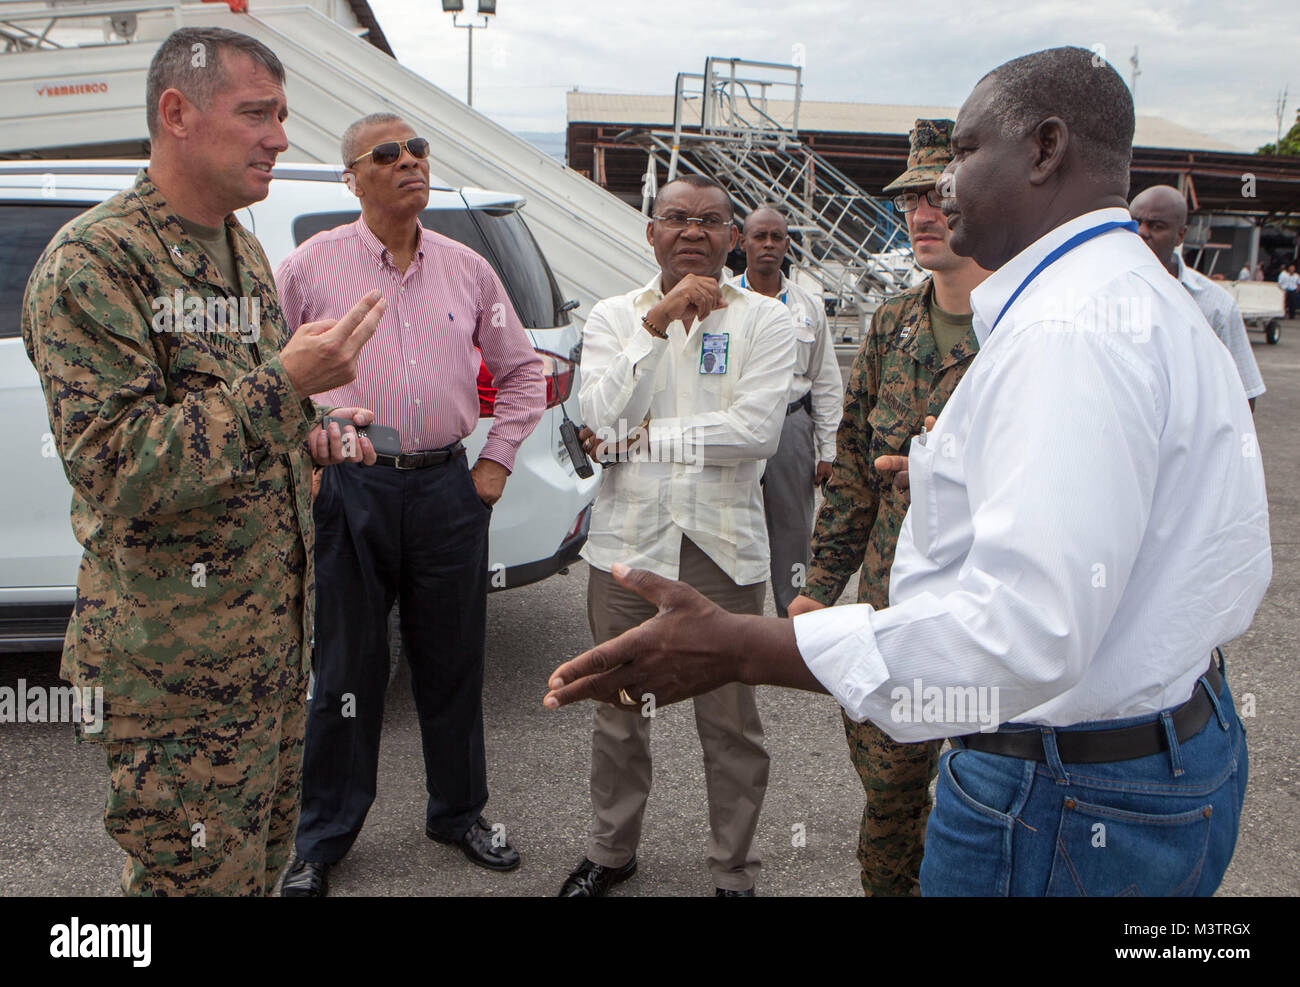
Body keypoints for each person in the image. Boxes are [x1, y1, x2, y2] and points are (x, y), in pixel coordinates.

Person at [544, 46, 1270, 898]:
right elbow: (1218, 556)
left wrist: (746, 643)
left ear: (1044, 149)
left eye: (961, 154)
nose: (942, 189)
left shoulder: (1070, 332)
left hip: (1062, 794)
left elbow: (1022, 634)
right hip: (1154, 745)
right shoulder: (1138, 301)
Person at [21, 27, 385, 896]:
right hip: (176, 674)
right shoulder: (95, 261)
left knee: (251, 878)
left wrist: (309, 434)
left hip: (266, 652)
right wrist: (283, 388)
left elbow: (238, 423)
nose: (280, 137)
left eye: (284, 115)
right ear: (176, 113)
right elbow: (117, 466)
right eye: (257, 113)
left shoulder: (241, 249)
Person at [274, 113, 545, 896]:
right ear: (352, 177)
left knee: (453, 660)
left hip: (444, 488)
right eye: (385, 154)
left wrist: (493, 464)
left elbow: (522, 372)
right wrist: (313, 455)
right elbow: (274, 381)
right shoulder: (307, 269)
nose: (408, 162)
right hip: (353, 487)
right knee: (347, 669)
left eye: (418, 149)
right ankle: (321, 838)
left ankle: (458, 812)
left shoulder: (467, 270)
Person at [559, 174, 795, 897]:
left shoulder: (766, 321)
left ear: (732, 236)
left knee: (730, 723)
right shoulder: (612, 317)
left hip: (721, 549)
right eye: (676, 218)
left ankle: (733, 870)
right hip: (629, 548)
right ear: (650, 231)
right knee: (620, 711)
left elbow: (756, 434)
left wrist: (647, 436)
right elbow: (595, 414)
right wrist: (655, 326)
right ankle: (611, 851)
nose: (693, 230)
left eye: (711, 220)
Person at [785, 119, 991, 896]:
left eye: (940, 196)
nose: (922, 215)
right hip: (889, 602)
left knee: (988, 783)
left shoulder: (1020, 332)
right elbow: (853, 481)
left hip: (985, 608)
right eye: (910, 200)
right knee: (891, 788)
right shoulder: (893, 322)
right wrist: (820, 583)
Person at [731, 205, 842, 618]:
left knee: (793, 528)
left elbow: (827, 380)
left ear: (787, 245)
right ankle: (734, 621)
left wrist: (828, 449)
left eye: (777, 237)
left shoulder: (808, 306)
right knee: (729, 522)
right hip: (736, 423)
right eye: (759, 236)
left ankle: (793, 620)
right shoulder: (722, 300)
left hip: (792, 425)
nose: (768, 245)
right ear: (741, 242)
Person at [1130, 185, 1264, 411]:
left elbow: (1245, 393)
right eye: (1135, 222)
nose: (1142, 232)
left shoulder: (1216, 305)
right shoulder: (1103, 291)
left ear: (1180, 235)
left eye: (1156, 226)